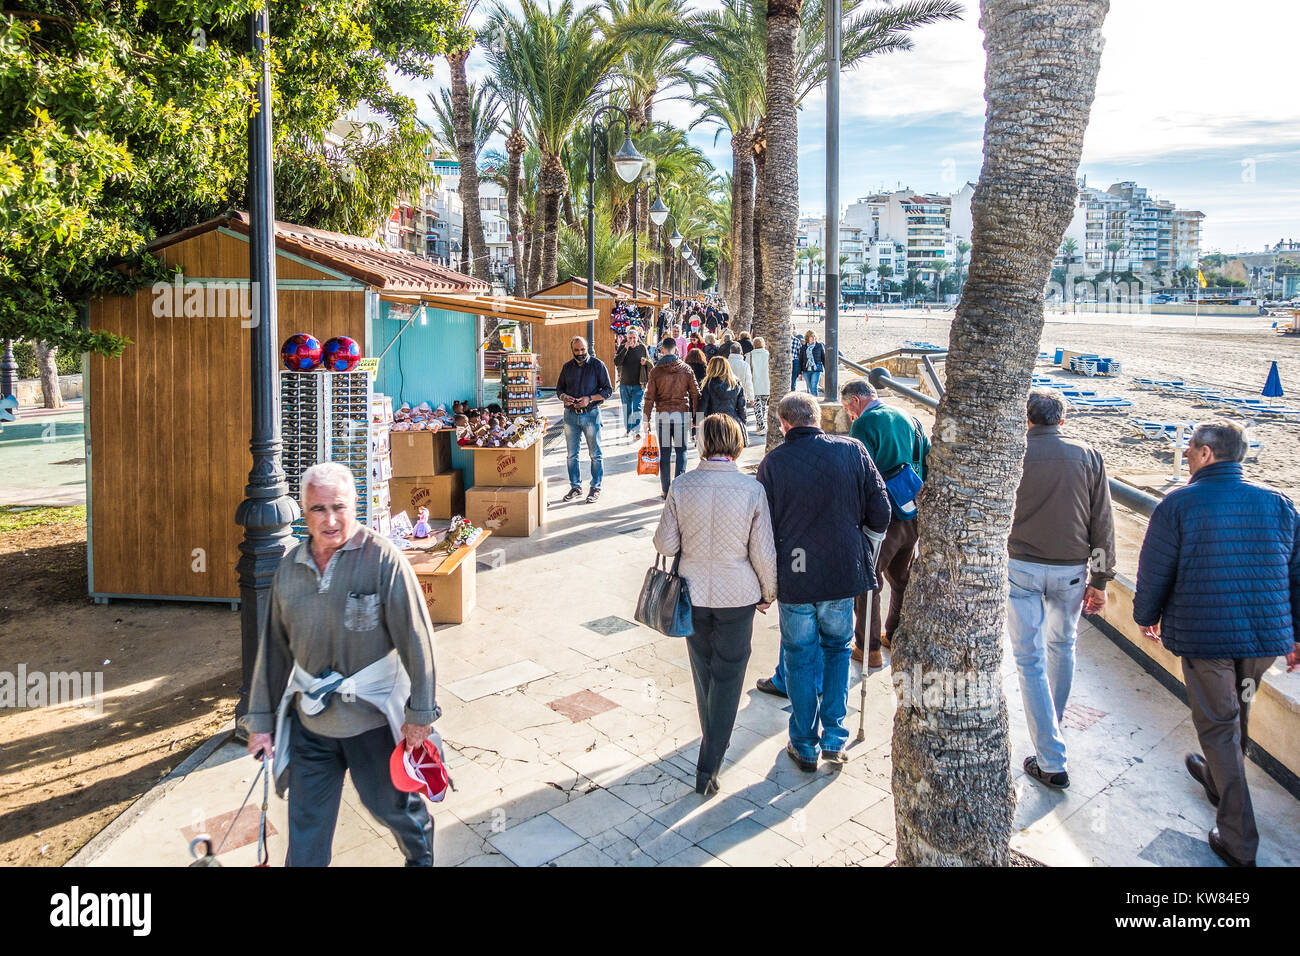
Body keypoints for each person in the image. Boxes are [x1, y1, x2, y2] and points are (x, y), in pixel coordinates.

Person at [242, 463, 438, 866]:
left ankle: (420, 854)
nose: (330, 519)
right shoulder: (289, 570)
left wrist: (420, 713)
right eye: (318, 509)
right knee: (306, 830)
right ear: (303, 510)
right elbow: (275, 651)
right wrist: (260, 722)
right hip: (312, 725)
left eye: (339, 507)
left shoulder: (383, 560)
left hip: (372, 724)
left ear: (355, 506)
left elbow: (418, 641)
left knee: (391, 807)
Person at [1133, 420, 1300, 867]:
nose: (1184, 453)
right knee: (1236, 710)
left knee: (1218, 725)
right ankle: (1213, 775)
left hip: (1208, 640)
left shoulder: (1180, 503)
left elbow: (1154, 570)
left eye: (1189, 448)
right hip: (1263, 641)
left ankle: (1238, 839)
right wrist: (1296, 634)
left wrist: (1146, 616)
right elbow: (1297, 576)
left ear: (1206, 454)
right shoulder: (1280, 503)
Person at [757, 393, 890, 769]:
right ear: (818, 418)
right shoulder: (853, 450)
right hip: (841, 574)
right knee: (837, 651)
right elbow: (881, 509)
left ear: (784, 424)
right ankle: (834, 737)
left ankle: (804, 741)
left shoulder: (773, 463)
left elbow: (763, 527)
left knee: (800, 659)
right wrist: (859, 543)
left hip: (797, 578)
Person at [653, 413, 778, 796]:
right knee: (728, 676)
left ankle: (710, 748)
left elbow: (665, 545)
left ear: (703, 441)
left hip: (692, 593)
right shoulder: (751, 490)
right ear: (737, 442)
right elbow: (763, 552)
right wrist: (768, 592)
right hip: (737, 595)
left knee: (704, 673)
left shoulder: (681, 485)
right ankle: (709, 765)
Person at [1006, 388, 1115, 791]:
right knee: (1062, 646)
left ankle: (1051, 755)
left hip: (1020, 565)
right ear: (1062, 421)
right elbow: (1102, 521)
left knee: (1029, 658)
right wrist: (1101, 580)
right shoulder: (1087, 454)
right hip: (1071, 569)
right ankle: (1053, 731)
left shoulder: (1016, 452)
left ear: (1027, 419)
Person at [839, 378, 931, 669]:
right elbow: (927, 458)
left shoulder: (865, 424)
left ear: (855, 400)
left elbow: (858, 472)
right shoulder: (908, 416)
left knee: (868, 581)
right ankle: (894, 632)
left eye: (847, 408)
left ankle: (869, 648)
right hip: (912, 510)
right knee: (901, 576)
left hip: (884, 517)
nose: (849, 414)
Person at [556, 335, 613, 503]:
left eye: (583, 350)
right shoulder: (567, 367)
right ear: (572, 350)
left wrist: (590, 398)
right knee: (571, 455)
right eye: (576, 350)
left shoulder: (597, 365)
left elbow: (608, 390)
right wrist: (563, 396)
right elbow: (559, 389)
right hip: (570, 416)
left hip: (591, 415)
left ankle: (595, 487)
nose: (580, 353)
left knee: (595, 454)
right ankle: (576, 486)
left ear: (587, 348)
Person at [643, 336, 701, 499]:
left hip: (663, 416)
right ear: (676, 350)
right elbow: (695, 393)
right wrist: (696, 416)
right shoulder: (686, 369)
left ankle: (666, 489)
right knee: (681, 451)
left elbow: (649, 397)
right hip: (681, 415)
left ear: (662, 351)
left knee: (666, 452)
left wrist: (646, 418)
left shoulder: (656, 371)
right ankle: (679, 489)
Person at [697, 355, 747, 436]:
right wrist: (743, 423)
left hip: (714, 424)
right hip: (733, 422)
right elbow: (742, 407)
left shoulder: (709, 384)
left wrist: (698, 424)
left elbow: (703, 406)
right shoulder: (736, 383)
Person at [614, 328, 649, 439]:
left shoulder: (642, 347)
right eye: (630, 338)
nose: (632, 340)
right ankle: (628, 429)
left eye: (634, 338)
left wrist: (645, 362)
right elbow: (617, 362)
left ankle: (636, 430)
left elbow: (650, 362)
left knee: (637, 407)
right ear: (626, 338)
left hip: (639, 384)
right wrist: (625, 348)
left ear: (638, 338)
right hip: (624, 384)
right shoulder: (623, 346)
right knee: (627, 408)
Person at [746, 336, 771, 435]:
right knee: (763, 406)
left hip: (755, 384)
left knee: (757, 407)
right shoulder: (768, 354)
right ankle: (760, 424)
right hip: (766, 384)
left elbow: (747, 371)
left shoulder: (750, 355)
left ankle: (761, 426)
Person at [726, 341, 754, 413]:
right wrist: (751, 398)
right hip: (741, 395)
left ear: (730, 352)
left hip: (727, 394)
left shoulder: (726, 363)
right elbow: (748, 382)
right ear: (741, 352)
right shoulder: (745, 365)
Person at [799, 330, 825, 397]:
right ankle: (809, 403)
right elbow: (800, 360)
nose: (813, 338)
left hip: (816, 369)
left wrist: (826, 369)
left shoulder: (819, 346)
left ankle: (815, 403)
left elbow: (823, 358)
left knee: (814, 387)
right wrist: (799, 373)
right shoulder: (803, 347)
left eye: (814, 336)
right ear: (808, 338)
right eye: (811, 336)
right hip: (806, 370)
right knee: (809, 388)